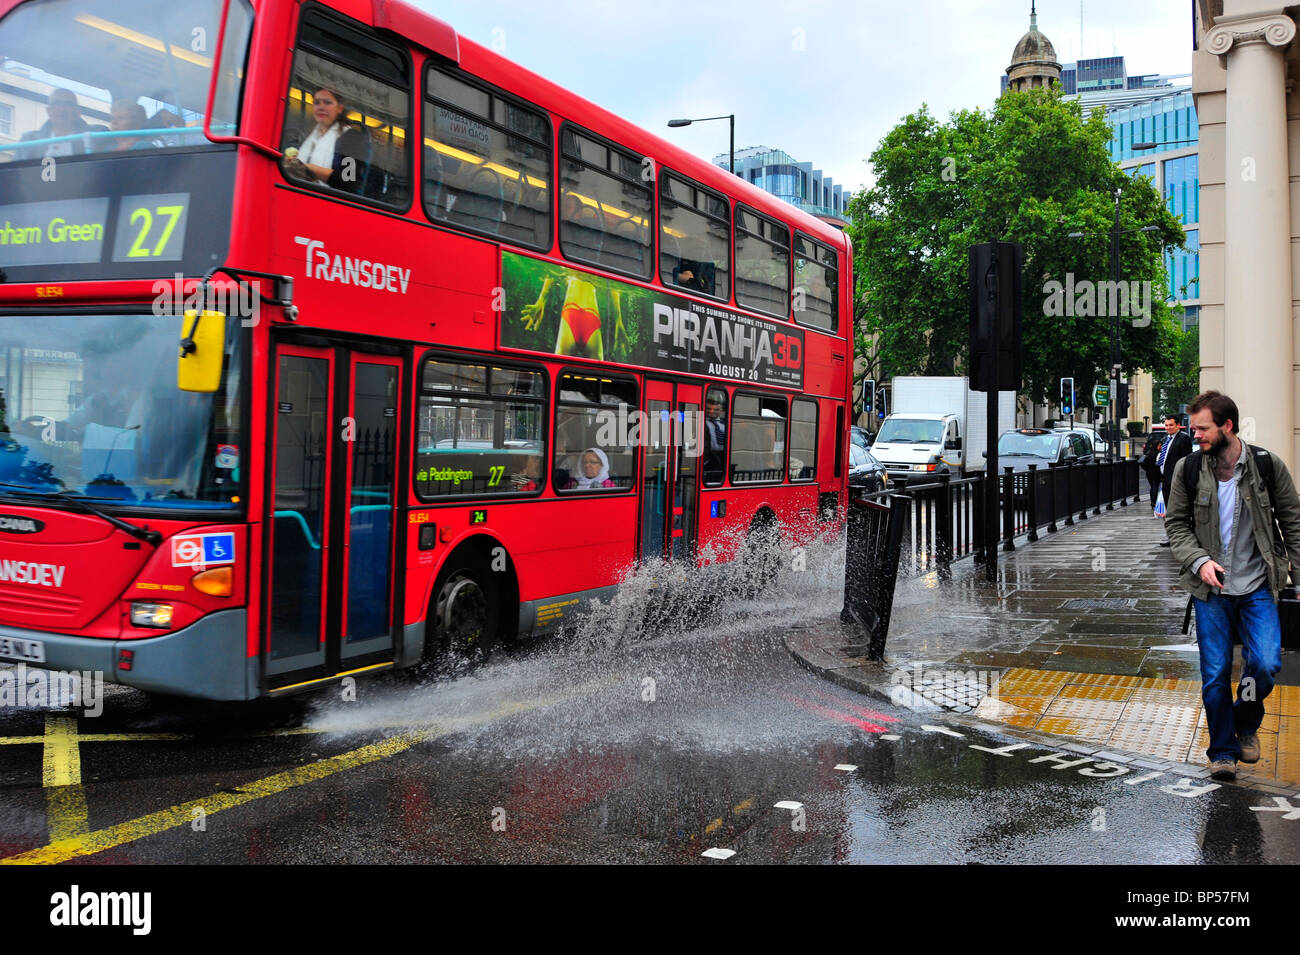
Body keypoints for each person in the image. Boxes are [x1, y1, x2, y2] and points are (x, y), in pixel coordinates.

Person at [1166, 390, 1300, 781]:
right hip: (1211, 589)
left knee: (1265, 664)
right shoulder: (1188, 470)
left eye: (1203, 429)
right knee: (1214, 673)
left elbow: (1292, 521)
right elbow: (1175, 525)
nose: (1197, 436)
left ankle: (1245, 723)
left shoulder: (1266, 466)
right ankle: (1222, 750)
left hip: (1257, 584)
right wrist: (1200, 560)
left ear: (1227, 426)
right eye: (1194, 429)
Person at [283, 87, 348, 185]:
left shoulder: (349, 136)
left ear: (340, 108)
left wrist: (307, 168)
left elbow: (348, 181)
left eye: (327, 102)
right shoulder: (313, 134)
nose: (321, 107)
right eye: (317, 102)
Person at [19, 89, 105, 159]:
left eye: (68, 104)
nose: (62, 109)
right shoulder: (29, 140)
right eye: (56, 103)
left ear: (78, 111)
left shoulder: (97, 135)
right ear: (48, 111)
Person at [1154, 414, 1193, 544]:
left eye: (1171, 425)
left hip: (1176, 481)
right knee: (1168, 510)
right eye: (1166, 425)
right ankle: (1171, 535)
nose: (1168, 427)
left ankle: (1178, 537)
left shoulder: (1183, 439)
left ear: (1178, 425)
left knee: (1176, 510)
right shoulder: (1167, 439)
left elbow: (1186, 460)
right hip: (1165, 479)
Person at [703, 390, 727, 485]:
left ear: (721, 411)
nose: (712, 412)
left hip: (722, 461)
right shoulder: (702, 422)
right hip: (707, 461)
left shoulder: (724, 424)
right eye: (709, 408)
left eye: (716, 409)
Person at [1140, 429, 1164, 506]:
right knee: (1155, 487)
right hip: (1156, 473)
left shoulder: (1148, 453)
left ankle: (1152, 501)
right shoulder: (1158, 454)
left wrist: (1146, 469)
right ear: (1156, 445)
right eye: (1160, 445)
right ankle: (1154, 502)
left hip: (1149, 473)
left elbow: (1143, 463)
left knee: (1152, 487)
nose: (1161, 447)